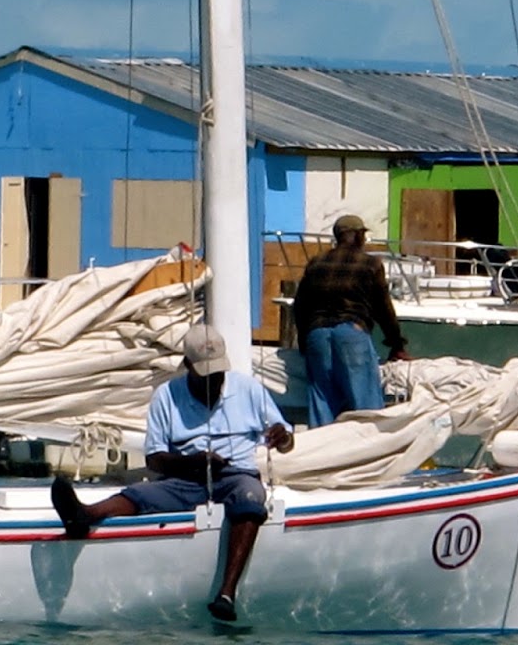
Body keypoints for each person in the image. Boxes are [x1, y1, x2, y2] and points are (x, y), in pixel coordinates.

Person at [48, 322, 293, 624]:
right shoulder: (167, 395)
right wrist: (193, 462)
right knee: (141, 493)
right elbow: (155, 459)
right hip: (184, 477)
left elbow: (285, 439)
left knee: (250, 495)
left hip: (235, 474)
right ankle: (83, 515)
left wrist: (282, 437)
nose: (213, 380)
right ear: (187, 365)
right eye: (205, 373)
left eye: (217, 372)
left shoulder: (249, 389)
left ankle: (227, 593)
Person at [292, 213, 411, 427]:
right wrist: (396, 344)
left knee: (322, 400)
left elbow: (300, 306)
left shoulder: (316, 263)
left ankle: (323, 451)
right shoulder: (370, 264)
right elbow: (384, 309)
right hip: (351, 331)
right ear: (357, 236)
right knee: (366, 407)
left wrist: (304, 340)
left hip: (317, 334)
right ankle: (368, 452)